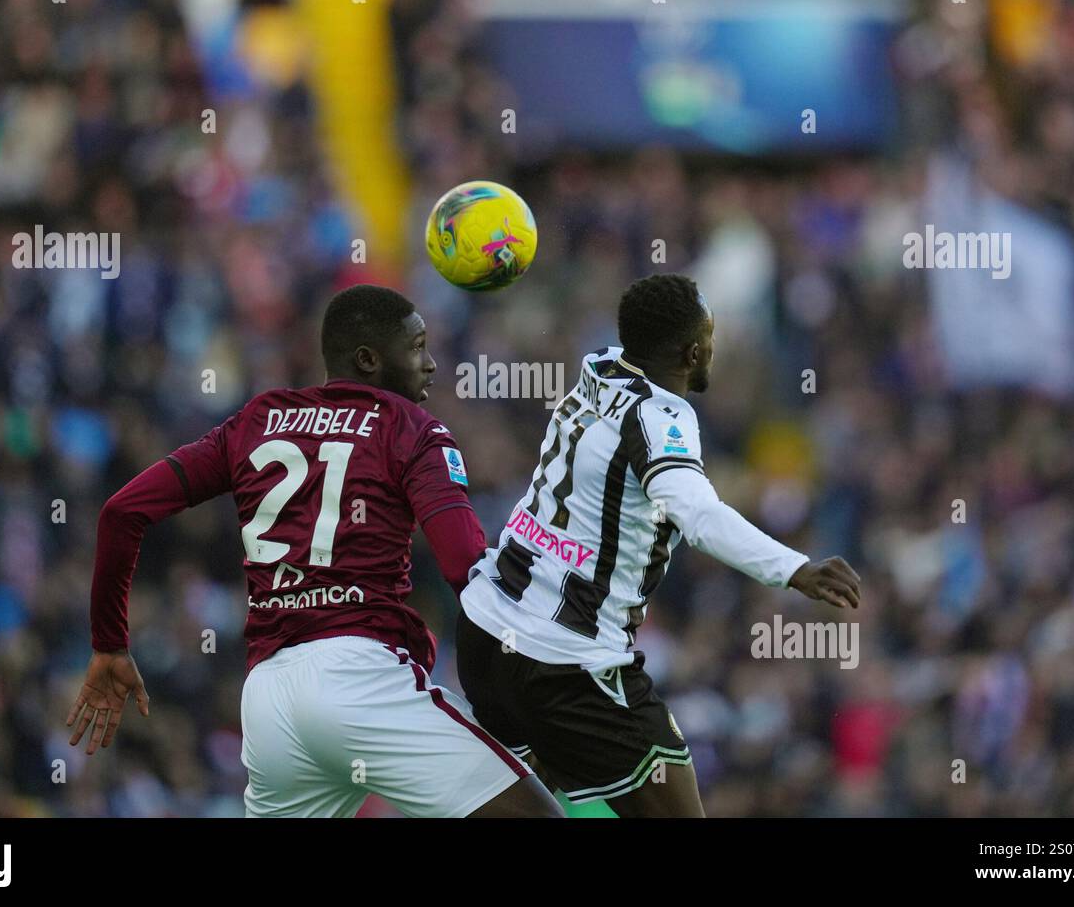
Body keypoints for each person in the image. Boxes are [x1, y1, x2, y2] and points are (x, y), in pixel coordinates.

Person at [66, 284, 561, 818]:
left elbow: (121, 512)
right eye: (417, 347)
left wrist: (110, 644)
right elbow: (465, 565)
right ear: (370, 359)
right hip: (362, 677)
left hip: (269, 700)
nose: (432, 364)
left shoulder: (258, 419)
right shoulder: (413, 430)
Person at [456, 273, 861, 816]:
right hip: (566, 659)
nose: (715, 344)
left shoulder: (598, 365)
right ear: (692, 350)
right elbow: (696, 515)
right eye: (710, 334)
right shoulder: (662, 417)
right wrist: (794, 569)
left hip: (486, 629)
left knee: (521, 802)